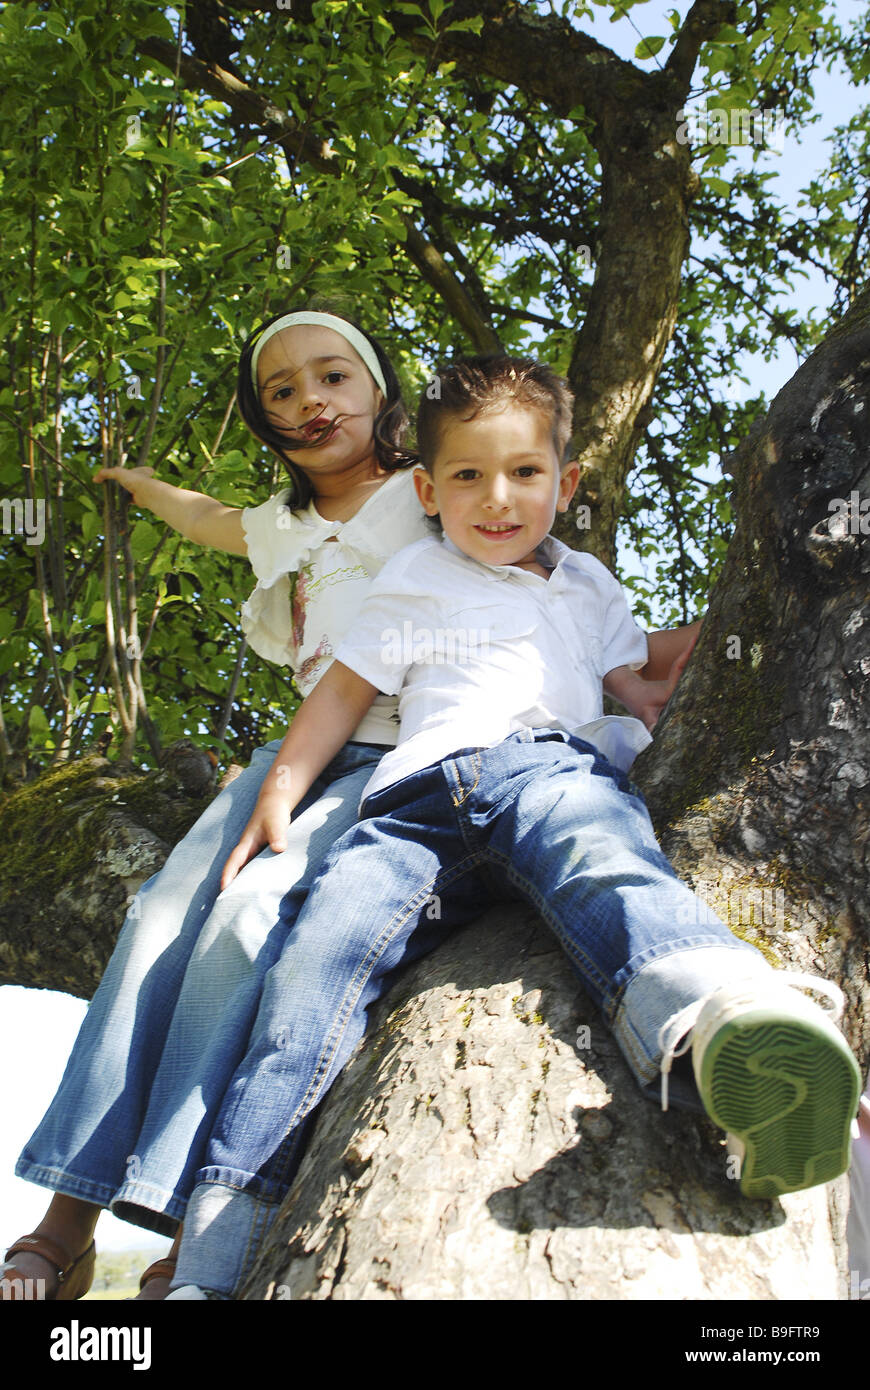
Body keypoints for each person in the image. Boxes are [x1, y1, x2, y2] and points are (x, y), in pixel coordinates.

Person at [1, 312, 699, 1302]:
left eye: (333, 375)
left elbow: (565, 612)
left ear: (384, 396)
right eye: (280, 391)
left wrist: (680, 649)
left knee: (251, 932)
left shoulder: (436, 499)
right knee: (160, 915)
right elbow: (199, 512)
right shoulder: (276, 527)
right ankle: (66, 1216)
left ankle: (179, 1232)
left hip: (397, 755)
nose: (309, 399)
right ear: (263, 419)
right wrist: (127, 481)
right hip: (297, 749)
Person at [161, 355, 861, 1299]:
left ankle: (724, 1020)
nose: (497, 498)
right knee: (310, 977)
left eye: (525, 473)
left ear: (565, 483)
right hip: (410, 808)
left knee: (605, 863)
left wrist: (734, 632)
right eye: (467, 476)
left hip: (545, 770)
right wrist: (280, 788)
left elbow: (638, 687)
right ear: (427, 488)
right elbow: (344, 690)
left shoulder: (590, 587)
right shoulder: (414, 572)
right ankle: (214, 1254)